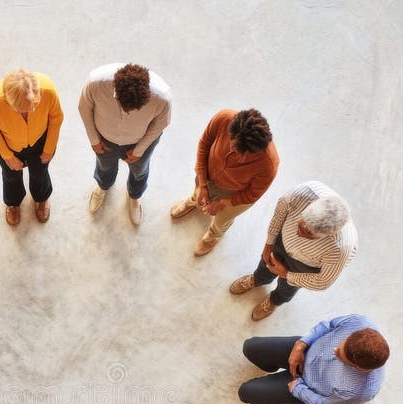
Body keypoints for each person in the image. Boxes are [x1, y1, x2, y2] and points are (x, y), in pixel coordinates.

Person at [230, 182, 357, 320]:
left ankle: (274, 301)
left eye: (308, 234)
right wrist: (269, 244)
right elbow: (279, 216)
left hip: (306, 265)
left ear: (329, 234)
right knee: (265, 265)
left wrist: (287, 274)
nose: (299, 233)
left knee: (287, 288)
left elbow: (323, 281)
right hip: (282, 241)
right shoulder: (299, 194)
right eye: (301, 225)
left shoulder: (341, 248)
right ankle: (257, 280)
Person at [170, 108, 279, 256]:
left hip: (236, 192)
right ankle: (193, 202)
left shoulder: (269, 164)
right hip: (208, 173)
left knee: (223, 218)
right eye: (235, 148)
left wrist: (223, 202)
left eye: (247, 155)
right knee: (198, 195)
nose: (240, 159)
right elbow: (204, 144)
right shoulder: (223, 118)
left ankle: (214, 235)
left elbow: (252, 195)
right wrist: (202, 184)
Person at [238, 313, 389, 404]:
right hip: (305, 350)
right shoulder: (360, 322)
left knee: (245, 392)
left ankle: (280, 396)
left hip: (306, 386)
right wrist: (300, 345)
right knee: (250, 347)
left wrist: (298, 388)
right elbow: (328, 325)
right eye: (340, 345)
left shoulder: (359, 392)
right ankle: (271, 368)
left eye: (340, 356)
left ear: (359, 367)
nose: (335, 350)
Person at [78, 62, 171, 225]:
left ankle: (134, 196)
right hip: (104, 138)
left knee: (140, 171)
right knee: (104, 166)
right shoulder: (95, 83)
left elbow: (160, 125)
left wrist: (139, 150)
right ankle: (103, 186)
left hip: (140, 141)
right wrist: (94, 140)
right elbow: (84, 108)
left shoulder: (162, 98)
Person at [0, 69, 64, 226]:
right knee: (10, 175)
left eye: (35, 103)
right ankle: (13, 203)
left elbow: (56, 118)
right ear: (9, 102)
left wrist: (49, 148)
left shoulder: (47, 89)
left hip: (40, 140)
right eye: (24, 108)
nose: (32, 110)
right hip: (9, 144)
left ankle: (41, 198)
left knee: (40, 172)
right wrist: (7, 155)